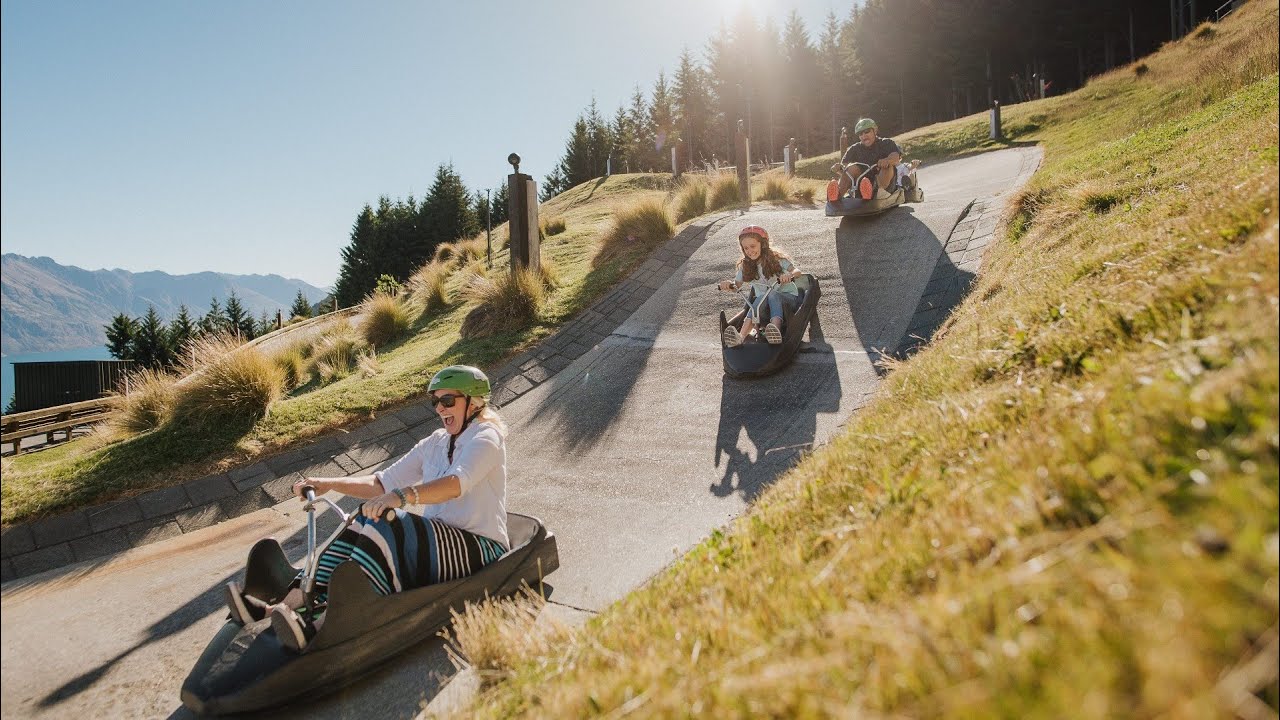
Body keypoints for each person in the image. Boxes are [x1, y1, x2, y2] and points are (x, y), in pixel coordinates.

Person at [223, 365, 510, 652]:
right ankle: (280, 609)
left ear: (473, 402)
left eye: (447, 400)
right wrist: (329, 483)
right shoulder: (435, 442)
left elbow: (456, 484)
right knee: (362, 516)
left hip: (480, 548)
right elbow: (381, 482)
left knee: (387, 521)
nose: (439, 408)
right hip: (439, 543)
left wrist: (401, 497)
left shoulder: (486, 437)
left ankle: (323, 626)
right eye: (435, 401)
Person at [718, 225, 803, 347]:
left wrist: (789, 275)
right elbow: (736, 285)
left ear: (763, 244)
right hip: (764, 304)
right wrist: (728, 285)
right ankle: (740, 337)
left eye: (752, 246)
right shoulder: (745, 265)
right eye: (746, 248)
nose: (749, 251)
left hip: (788, 299)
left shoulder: (776, 259)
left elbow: (797, 271)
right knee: (759, 299)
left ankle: (775, 330)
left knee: (772, 293)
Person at [829, 117, 917, 201]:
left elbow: (895, 157)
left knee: (887, 166)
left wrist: (887, 160)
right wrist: (839, 169)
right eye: (860, 134)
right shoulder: (854, 149)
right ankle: (837, 195)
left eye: (867, 132)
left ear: (875, 130)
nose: (864, 136)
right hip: (861, 184)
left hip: (885, 186)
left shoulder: (886, 143)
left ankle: (879, 192)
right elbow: (845, 168)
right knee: (851, 168)